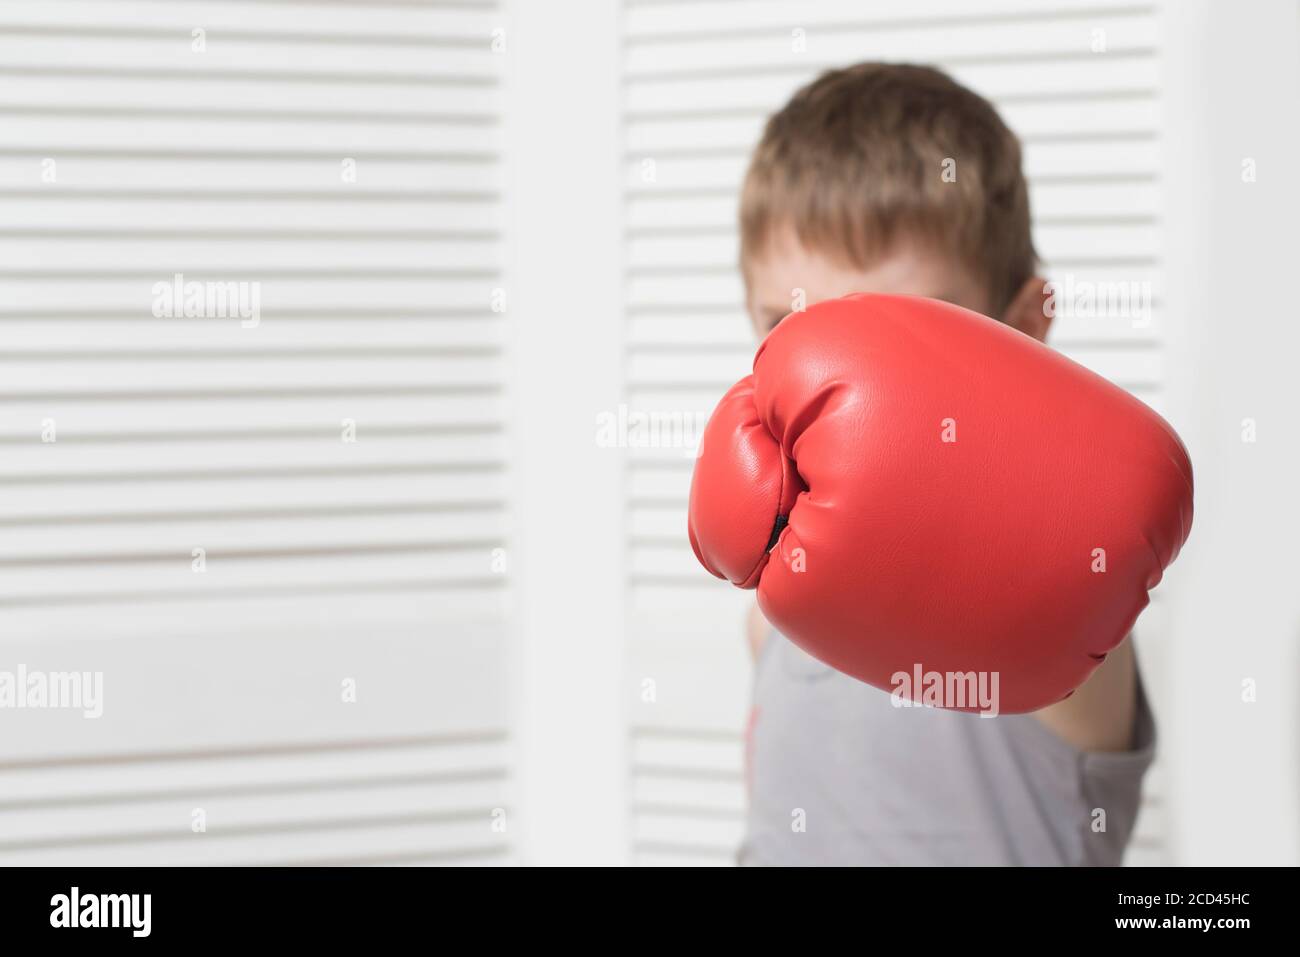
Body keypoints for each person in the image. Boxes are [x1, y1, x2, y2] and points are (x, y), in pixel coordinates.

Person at [735, 62, 1154, 866]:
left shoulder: (1056, 607)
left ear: (1026, 330)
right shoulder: (771, 612)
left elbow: (1085, 584)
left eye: (900, 343)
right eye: (787, 334)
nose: (833, 398)